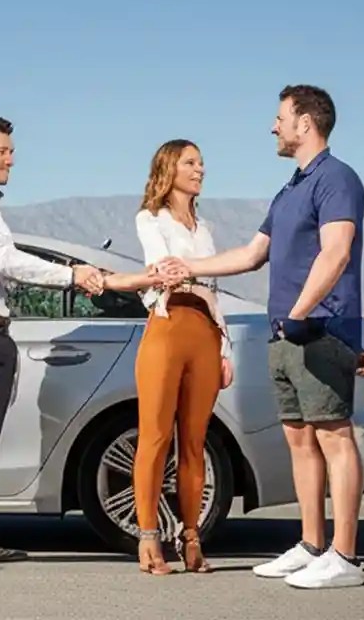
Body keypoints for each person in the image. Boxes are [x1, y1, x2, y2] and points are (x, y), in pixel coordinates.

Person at [174, 85, 364, 589]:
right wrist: (186, 268)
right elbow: (249, 254)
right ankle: (311, 546)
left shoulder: (337, 179)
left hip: (322, 328)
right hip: (286, 331)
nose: (273, 126)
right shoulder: (289, 190)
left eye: (280, 117)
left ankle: (346, 557)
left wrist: (302, 311)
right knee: (299, 437)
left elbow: (337, 253)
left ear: (305, 123)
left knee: (334, 435)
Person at [0, 114, 106, 569]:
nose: (12, 158)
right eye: (2, 151)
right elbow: (2, 259)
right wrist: (71, 275)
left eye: (11, 150)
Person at [100, 139, 233, 576]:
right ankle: (148, 538)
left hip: (205, 335)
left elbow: (211, 290)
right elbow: (164, 269)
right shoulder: (149, 218)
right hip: (166, 328)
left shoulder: (205, 228)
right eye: (190, 162)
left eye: (202, 162)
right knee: (155, 438)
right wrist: (185, 273)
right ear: (169, 169)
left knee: (195, 443)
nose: (201, 169)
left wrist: (225, 346)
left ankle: (191, 537)